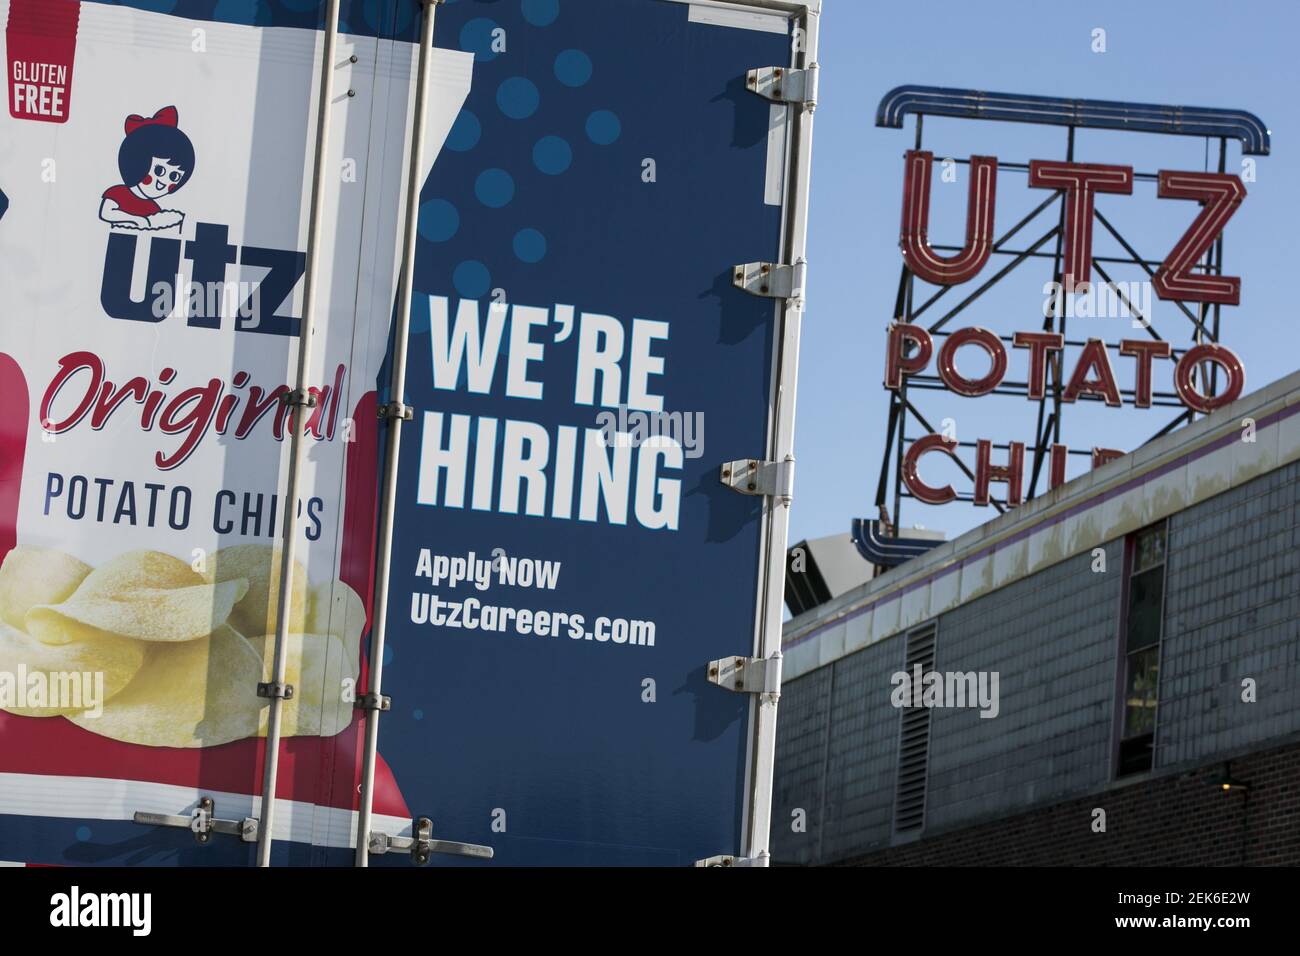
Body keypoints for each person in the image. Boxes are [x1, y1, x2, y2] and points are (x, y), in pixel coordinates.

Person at [99, 106, 194, 230]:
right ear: (137, 164)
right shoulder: (117, 193)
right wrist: (139, 221)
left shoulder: (154, 209)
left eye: (174, 177)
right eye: (159, 171)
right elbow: (106, 213)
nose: (163, 182)